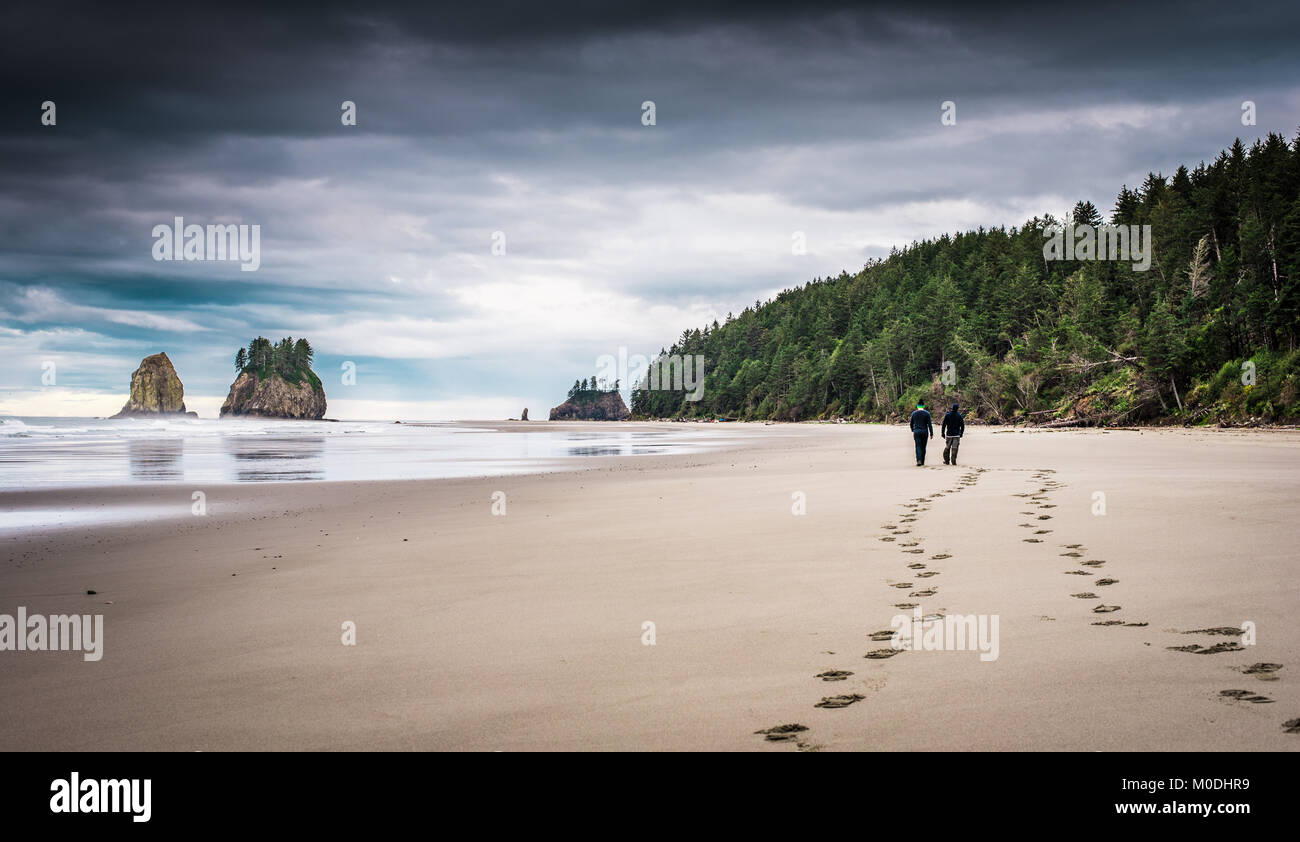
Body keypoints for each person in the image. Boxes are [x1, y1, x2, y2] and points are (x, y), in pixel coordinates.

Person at [908, 402, 933, 466]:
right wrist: (931, 433)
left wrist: (912, 429)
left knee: (918, 446)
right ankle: (923, 461)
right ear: (923, 406)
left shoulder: (914, 413)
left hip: (917, 432)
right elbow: (929, 424)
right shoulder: (927, 413)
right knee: (923, 447)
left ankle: (919, 460)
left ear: (917, 406)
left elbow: (911, 423)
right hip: (924, 431)